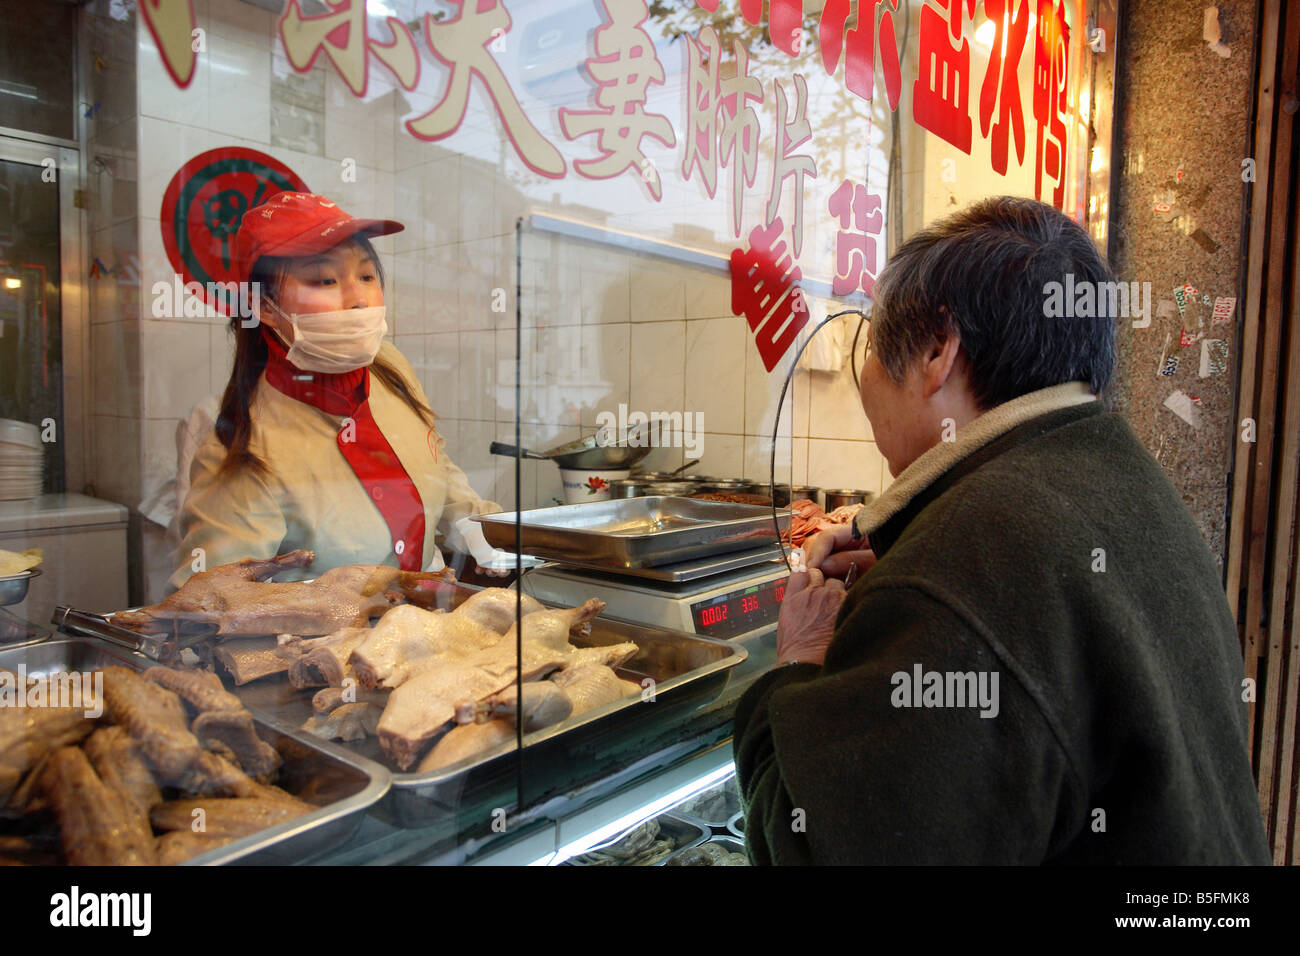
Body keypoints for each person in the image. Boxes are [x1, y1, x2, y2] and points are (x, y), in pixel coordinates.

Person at [734, 196, 1271, 865]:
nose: (866, 380)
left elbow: (806, 845)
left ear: (936, 349)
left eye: (871, 350)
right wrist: (916, 580)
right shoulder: (1122, 475)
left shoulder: (961, 567)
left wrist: (798, 665)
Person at [169, 192, 505, 590]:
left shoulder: (389, 367)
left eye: (366, 276)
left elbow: (431, 458)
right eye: (325, 280)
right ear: (266, 307)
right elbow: (211, 602)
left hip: (425, 622)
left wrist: (473, 522)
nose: (359, 299)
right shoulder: (242, 448)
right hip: (321, 647)